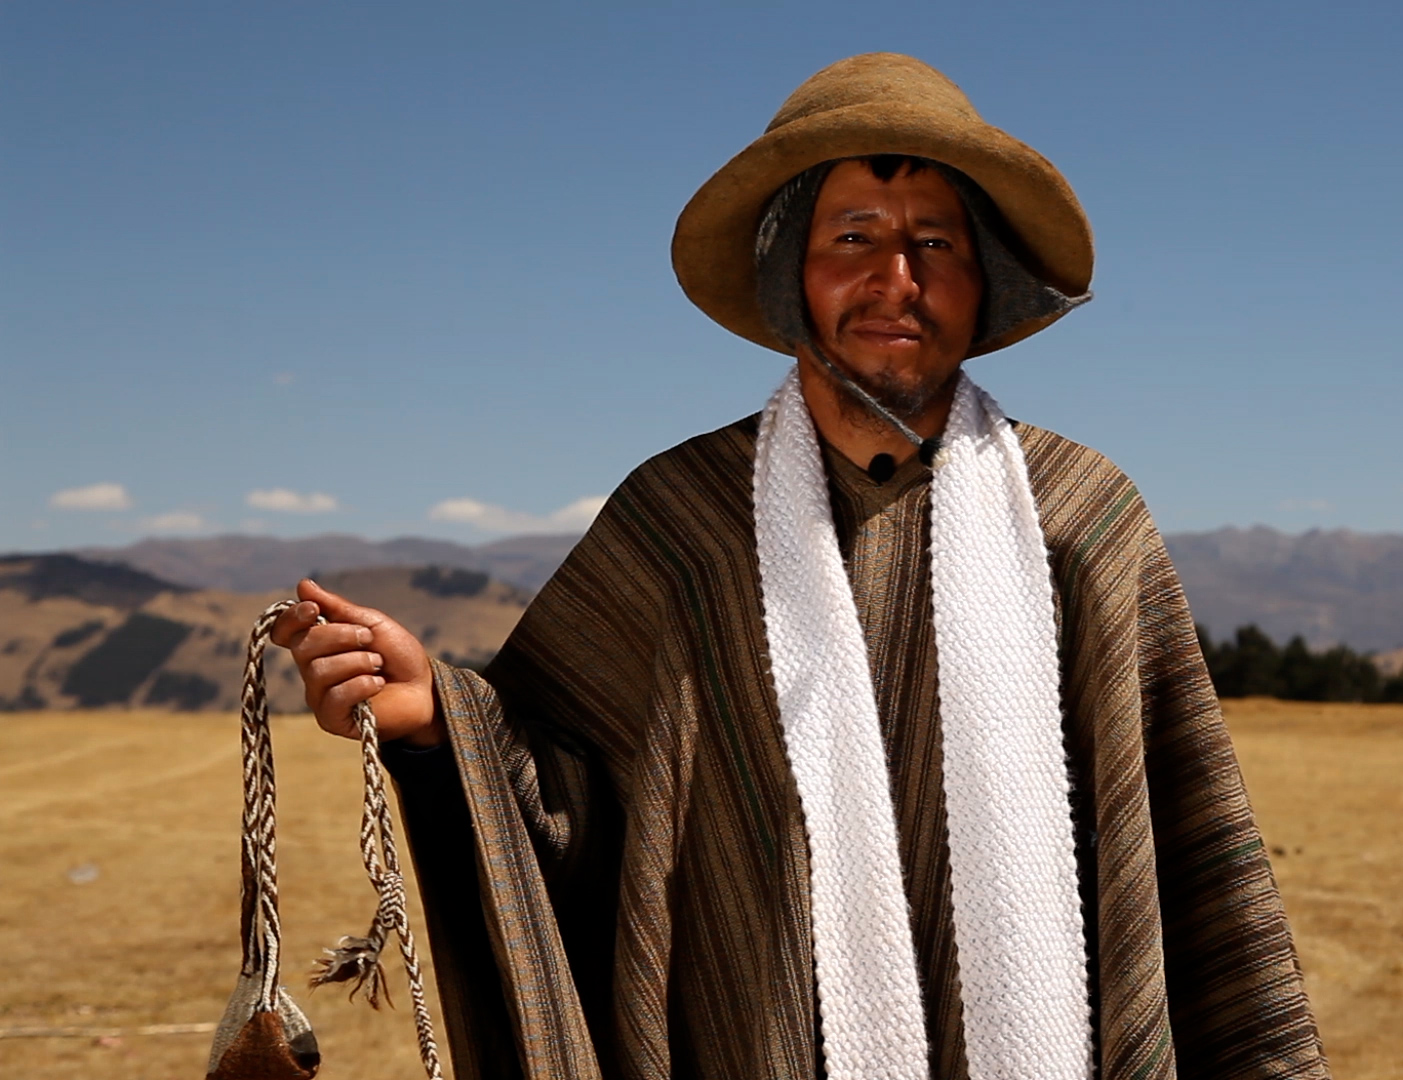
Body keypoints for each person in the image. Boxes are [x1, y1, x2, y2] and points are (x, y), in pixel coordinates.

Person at [273, 52, 1330, 1080]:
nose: (895, 279)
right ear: (792, 271)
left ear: (981, 277)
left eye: (935, 243)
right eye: (854, 236)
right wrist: (433, 717)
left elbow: (1187, 853)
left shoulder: (1083, 518)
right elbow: (568, 804)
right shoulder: (682, 523)